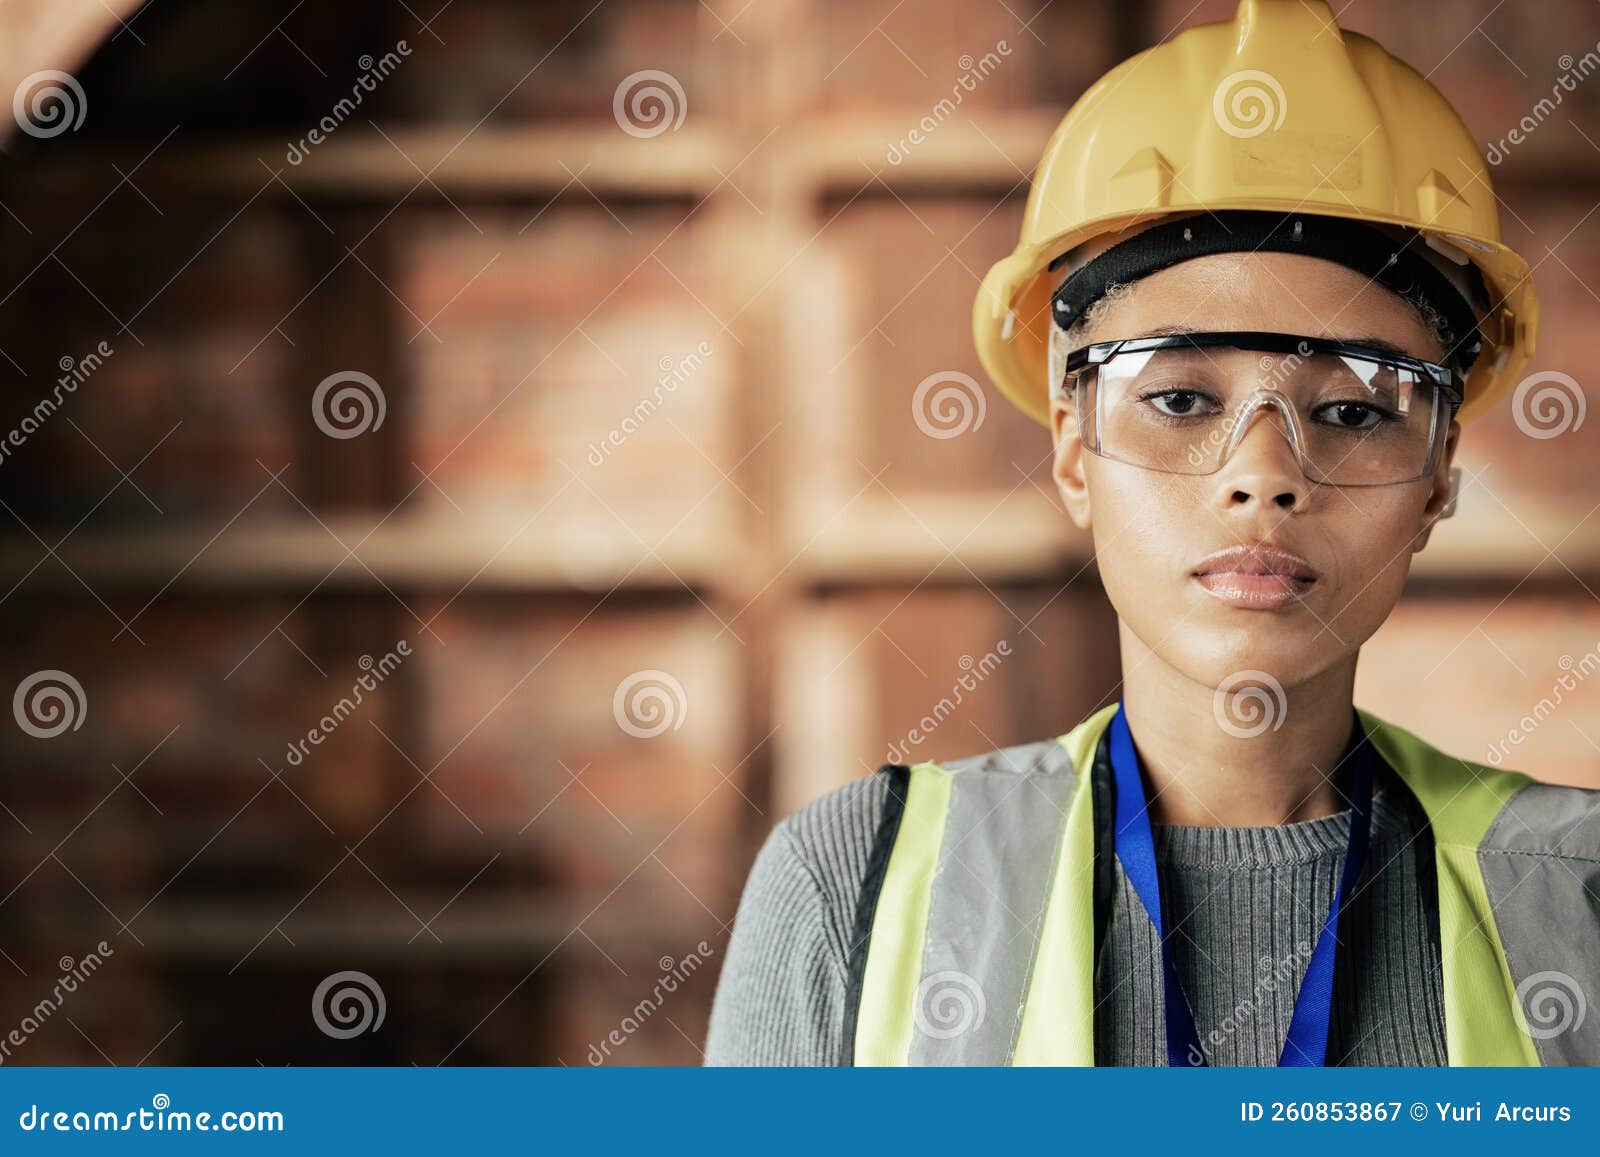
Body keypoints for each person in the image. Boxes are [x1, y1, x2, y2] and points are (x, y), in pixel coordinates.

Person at [705, 0, 1600, 1067]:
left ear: (1438, 475)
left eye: (1354, 409)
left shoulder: (1575, 890)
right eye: (1178, 399)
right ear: (1072, 449)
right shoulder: (853, 883)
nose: (1262, 476)